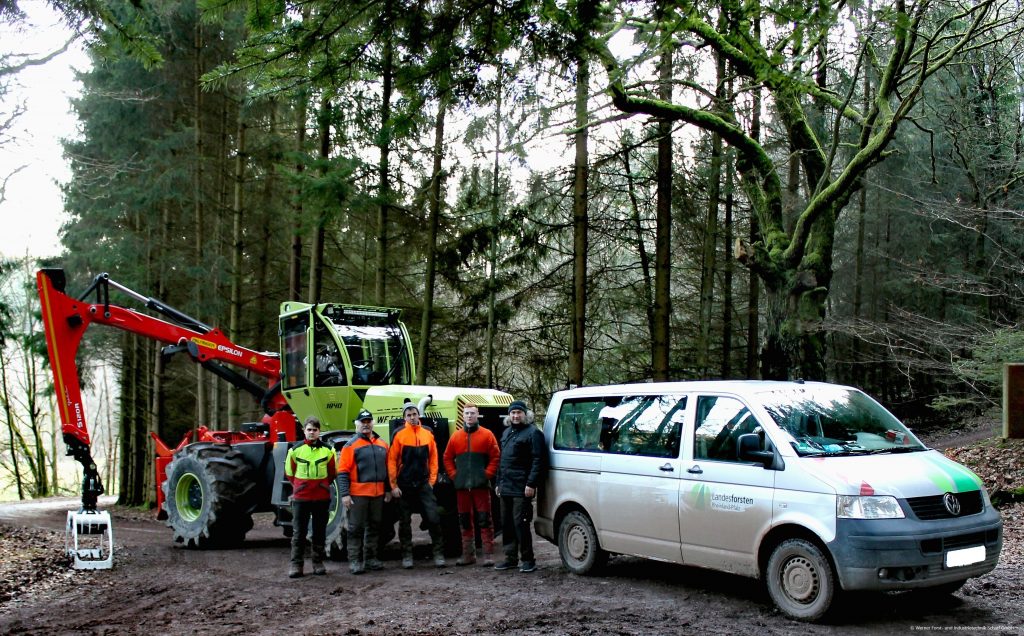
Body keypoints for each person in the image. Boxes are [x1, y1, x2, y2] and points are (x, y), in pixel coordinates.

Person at [387, 401, 446, 568]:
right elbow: (392, 461)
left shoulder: (428, 433)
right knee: (404, 522)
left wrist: (431, 481)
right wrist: (393, 486)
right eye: (409, 415)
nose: (412, 418)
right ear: (404, 417)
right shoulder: (399, 434)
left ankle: (438, 554)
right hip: (404, 484)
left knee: (433, 518)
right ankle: (407, 556)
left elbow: (434, 459)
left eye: (414, 414)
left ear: (418, 415)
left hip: (423, 484)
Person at [442, 403, 500, 566]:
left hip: (480, 486)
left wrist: (486, 474)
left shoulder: (487, 435)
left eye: (472, 413)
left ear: (477, 415)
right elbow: (447, 457)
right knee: (465, 520)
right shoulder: (456, 437)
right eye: (467, 413)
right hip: (462, 488)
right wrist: (454, 475)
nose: (469, 416)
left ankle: (488, 555)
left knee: (485, 519)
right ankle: (468, 555)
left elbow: (495, 457)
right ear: (463, 415)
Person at [494, 400, 546, 573]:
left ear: (525, 414)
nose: (516, 416)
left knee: (520, 524)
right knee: (506, 524)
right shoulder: (507, 432)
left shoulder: (533, 433)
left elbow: (538, 460)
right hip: (506, 486)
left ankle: (528, 559)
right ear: (509, 415)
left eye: (519, 413)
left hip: (522, 487)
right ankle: (510, 558)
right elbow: (502, 461)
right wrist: (498, 483)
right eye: (513, 413)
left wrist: (531, 483)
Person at [337, 409, 391, 575]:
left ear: (372, 423)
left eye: (368, 421)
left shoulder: (382, 444)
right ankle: (354, 561)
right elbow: (343, 472)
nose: (366, 425)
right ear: (357, 424)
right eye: (363, 422)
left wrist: (388, 489)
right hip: (358, 495)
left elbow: (388, 470)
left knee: (374, 527)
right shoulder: (350, 446)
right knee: (355, 528)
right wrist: (345, 494)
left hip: (378, 494)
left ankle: (371, 559)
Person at [285, 416, 338, 578]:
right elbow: (289, 473)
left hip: (321, 497)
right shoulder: (295, 450)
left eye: (315, 430)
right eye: (309, 429)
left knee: (319, 532)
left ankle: (318, 562)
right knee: (299, 532)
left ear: (319, 432)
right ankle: (296, 565)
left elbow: (332, 473)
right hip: (302, 498)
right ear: (304, 431)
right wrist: (301, 486)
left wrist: (321, 485)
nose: (312, 432)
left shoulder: (329, 450)